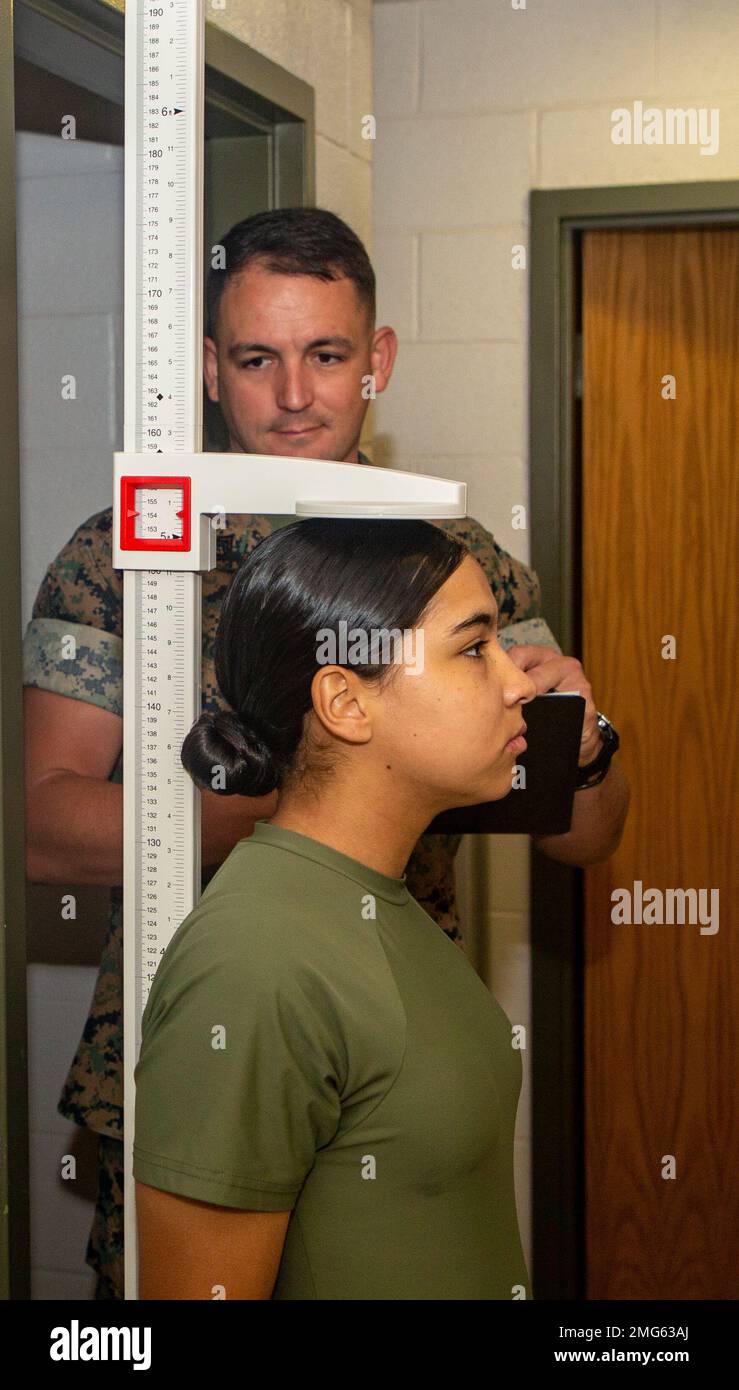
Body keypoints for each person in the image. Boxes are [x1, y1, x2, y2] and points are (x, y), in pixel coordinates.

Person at [23, 207, 628, 1299]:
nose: (293, 394)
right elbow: (43, 826)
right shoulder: (131, 548)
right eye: (257, 358)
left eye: (327, 356)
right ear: (210, 366)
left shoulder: (454, 562)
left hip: (399, 1036)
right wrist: (328, 815)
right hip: (191, 1031)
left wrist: (582, 748)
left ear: (378, 360)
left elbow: (582, 834)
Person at [134, 514, 539, 1299]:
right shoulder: (257, 955)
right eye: (472, 647)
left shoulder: (380, 899)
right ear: (346, 701)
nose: (516, 681)